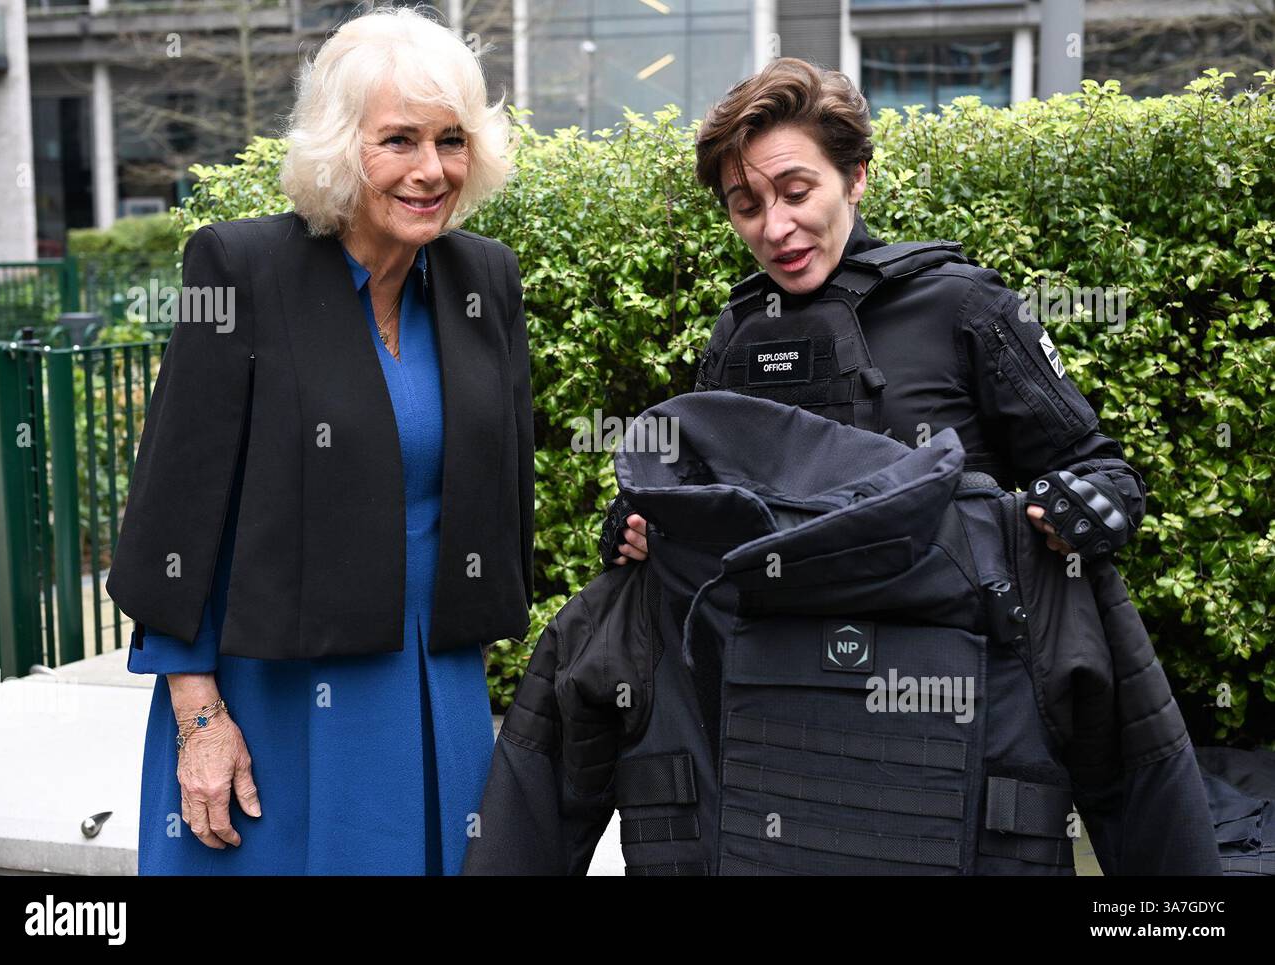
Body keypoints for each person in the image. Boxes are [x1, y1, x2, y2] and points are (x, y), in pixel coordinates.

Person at [107, 6, 533, 874]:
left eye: (451, 140)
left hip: (437, 688)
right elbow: (173, 516)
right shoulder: (239, 269)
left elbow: (502, 496)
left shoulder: (482, 277)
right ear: (343, 146)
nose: (430, 170)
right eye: (399, 141)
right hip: (272, 700)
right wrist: (199, 719)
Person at [602, 58, 1144, 570]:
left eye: (796, 193)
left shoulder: (963, 303)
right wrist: (637, 528)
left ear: (856, 177)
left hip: (944, 643)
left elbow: (1100, 471)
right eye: (746, 207)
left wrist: (1088, 508)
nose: (774, 228)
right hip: (774, 656)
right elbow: (694, 489)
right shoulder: (740, 327)